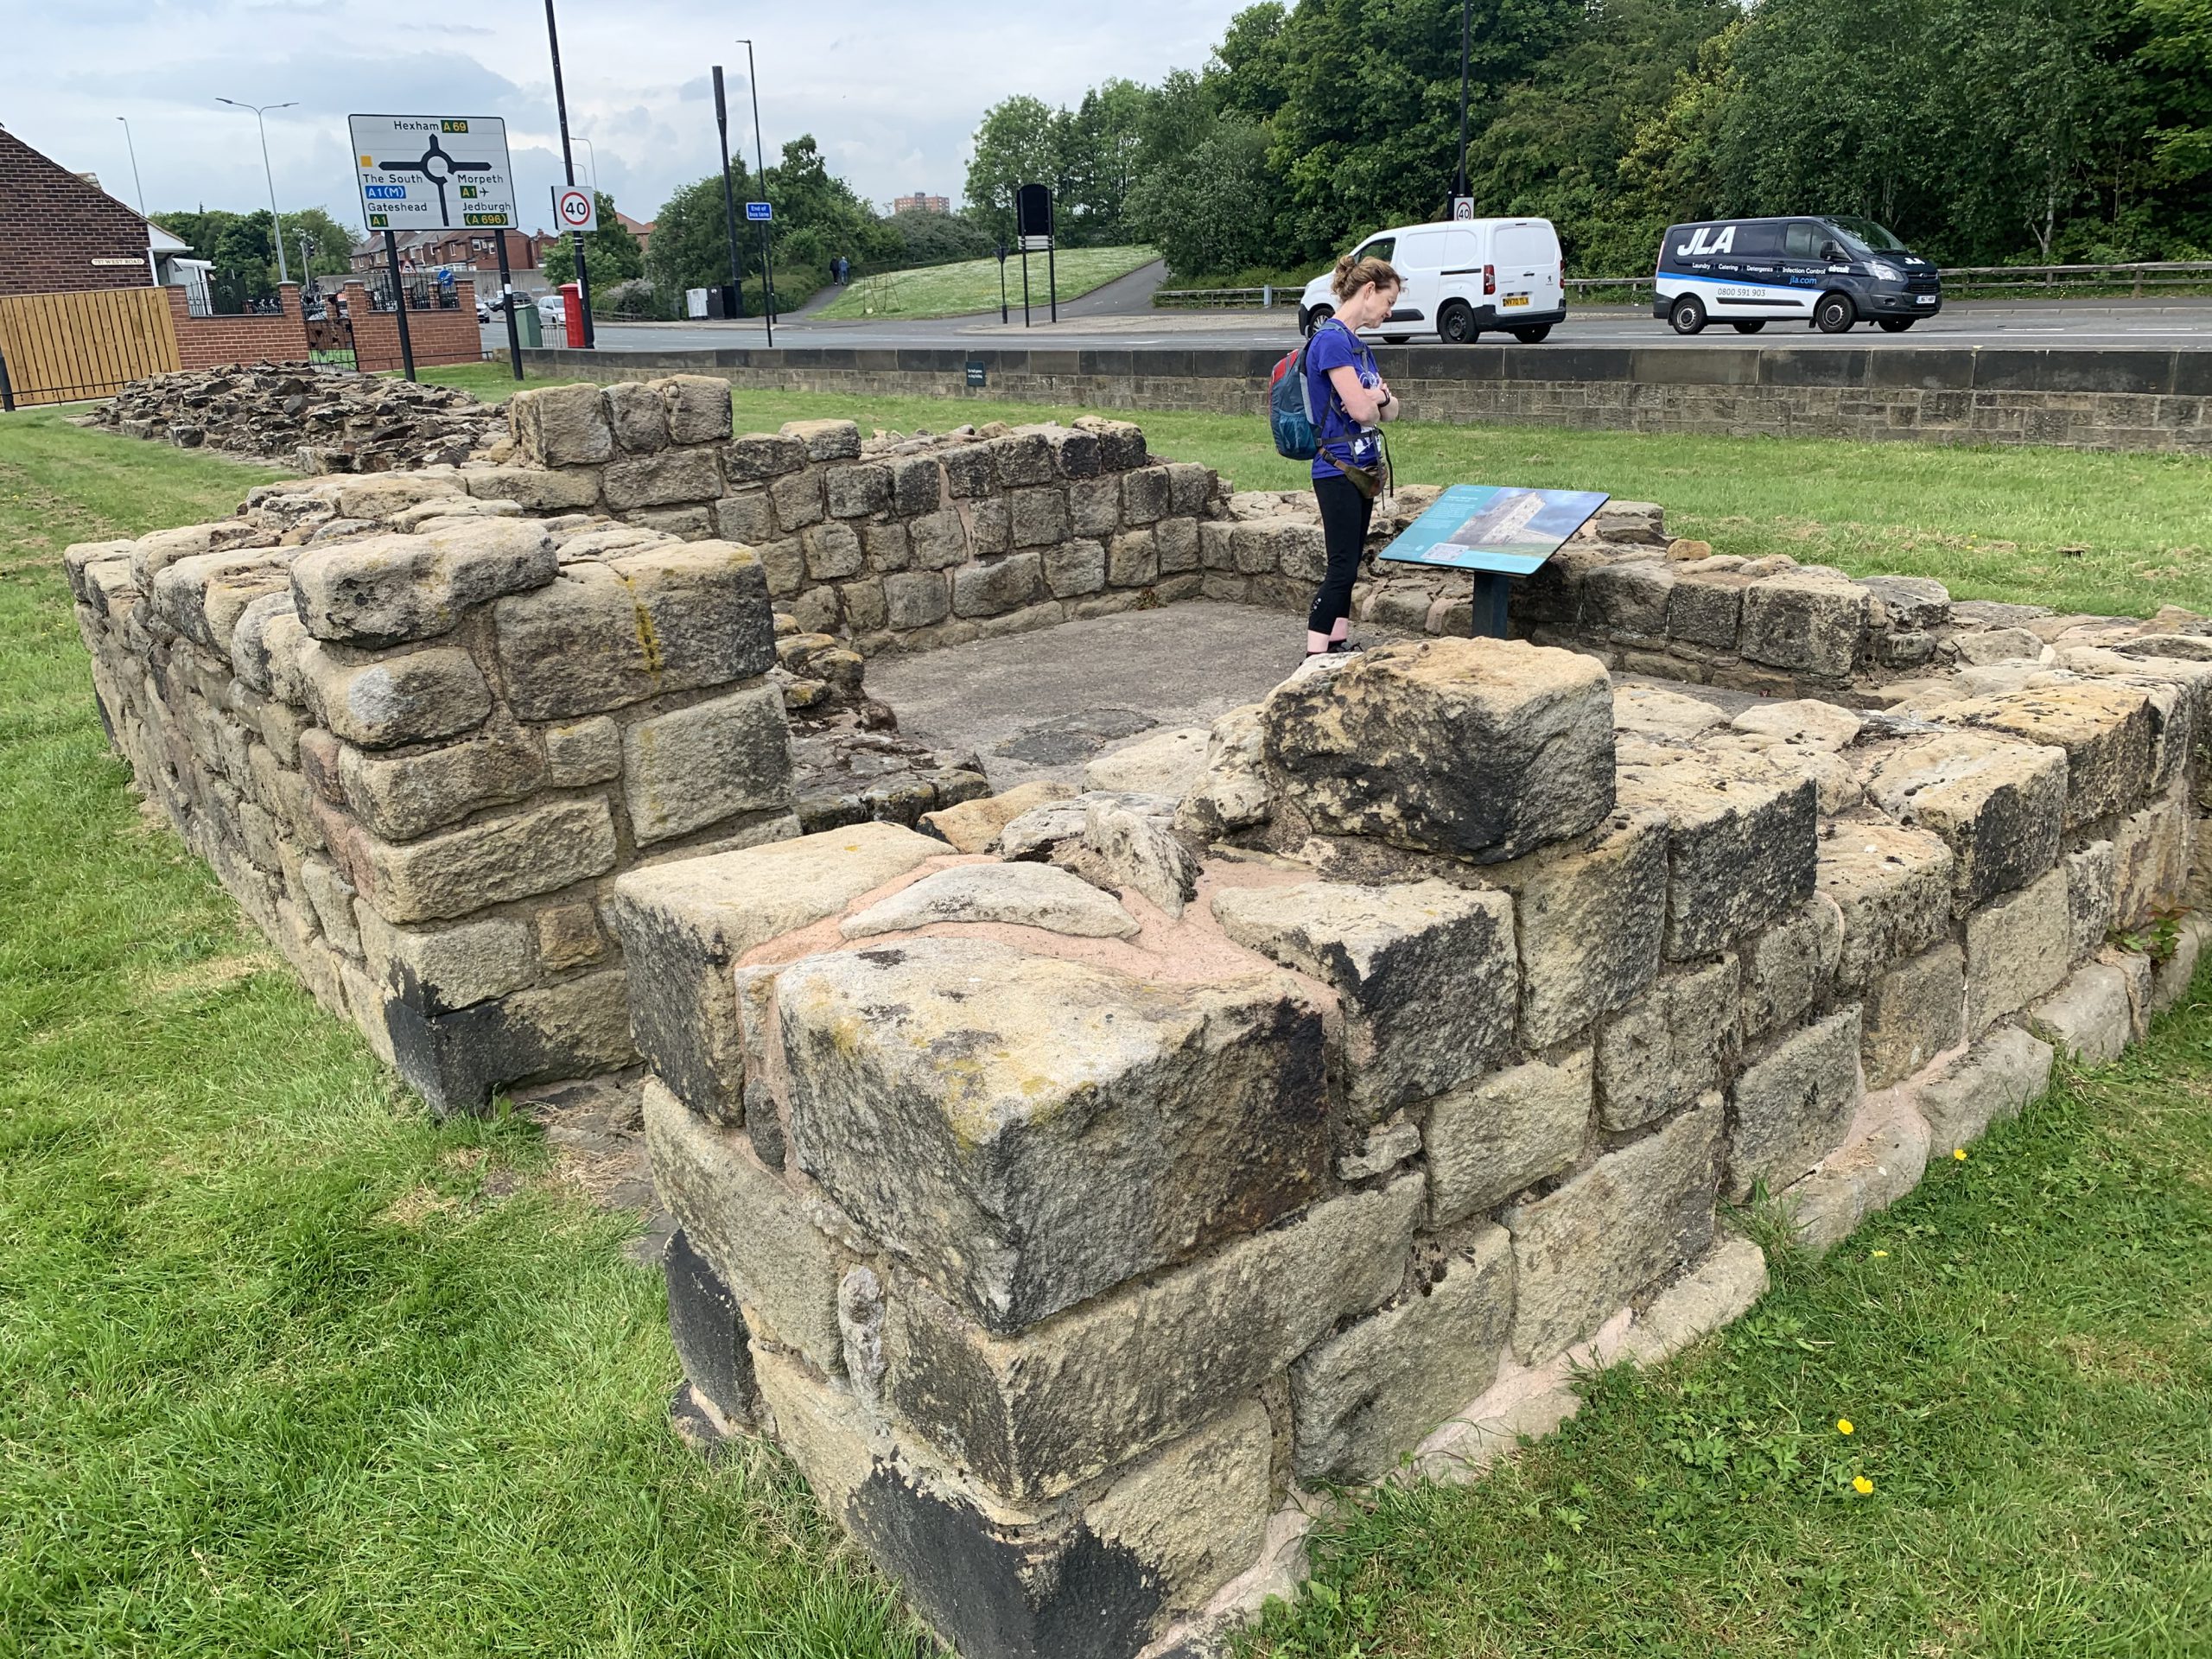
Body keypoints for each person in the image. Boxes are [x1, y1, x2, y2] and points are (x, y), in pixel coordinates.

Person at [1303, 254, 1402, 658]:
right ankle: (1314, 655)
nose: (1389, 312)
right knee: (1341, 566)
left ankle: (1337, 643)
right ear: (1368, 291)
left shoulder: (1358, 347)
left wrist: (1378, 399)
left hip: (1361, 464)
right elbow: (1364, 411)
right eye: (1388, 301)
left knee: (1351, 564)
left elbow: (1391, 411)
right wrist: (1377, 397)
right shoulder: (1330, 341)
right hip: (1336, 468)